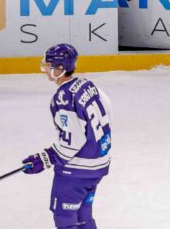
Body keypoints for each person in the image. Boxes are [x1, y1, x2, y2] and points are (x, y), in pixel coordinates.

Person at [21, 44, 111, 227]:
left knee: (64, 217)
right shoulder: (87, 84)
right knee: (83, 215)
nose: (46, 69)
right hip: (98, 165)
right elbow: (107, 109)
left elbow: (73, 140)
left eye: (49, 65)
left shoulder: (63, 98)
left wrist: (46, 157)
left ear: (60, 69)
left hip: (76, 171)